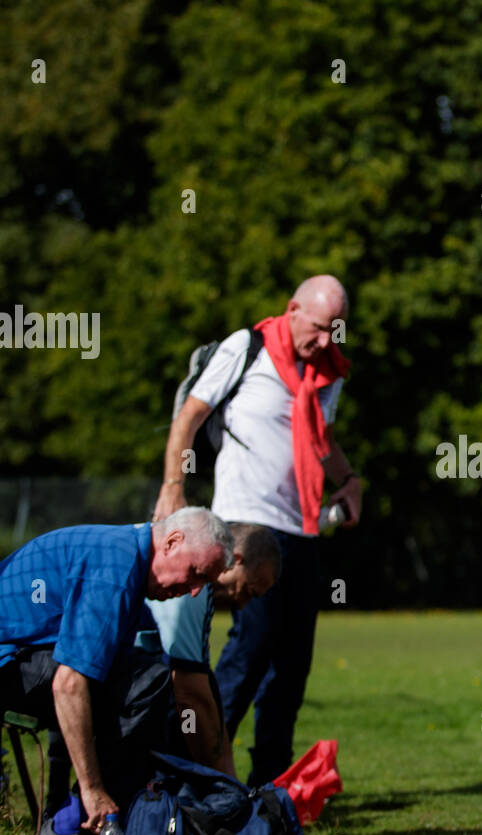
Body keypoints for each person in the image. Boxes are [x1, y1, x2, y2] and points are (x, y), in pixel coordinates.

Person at [0, 508, 233, 835]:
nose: (195, 590)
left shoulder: (128, 562)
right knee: (138, 682)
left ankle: (83, 831)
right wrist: (92, 788)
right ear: (172, 542)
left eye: (206, 584)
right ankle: (75, 827)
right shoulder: (116, 569)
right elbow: (69, 685)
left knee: (144, 681)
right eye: (197, 573)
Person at [153, 275, 362, 787]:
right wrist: (173, 487)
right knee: (249, 652)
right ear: (292, 310)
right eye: (317, 329)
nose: (325, 341)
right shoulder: (246, 349)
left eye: (336, 331)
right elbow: (190, 415)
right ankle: (198, 773)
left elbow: (321, 442)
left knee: (291, 668)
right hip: (246, 522)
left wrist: (350, 481)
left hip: (303, 527)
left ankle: (270, 786)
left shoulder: (328, 374)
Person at [138, 522, 281, 777]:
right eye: (248, 590)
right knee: (180, 706)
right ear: (236, 559)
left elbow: (203, 691)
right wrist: (218, 780)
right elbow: (189, 693)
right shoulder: (193, 587)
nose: (243, 604)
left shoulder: (195, 575)